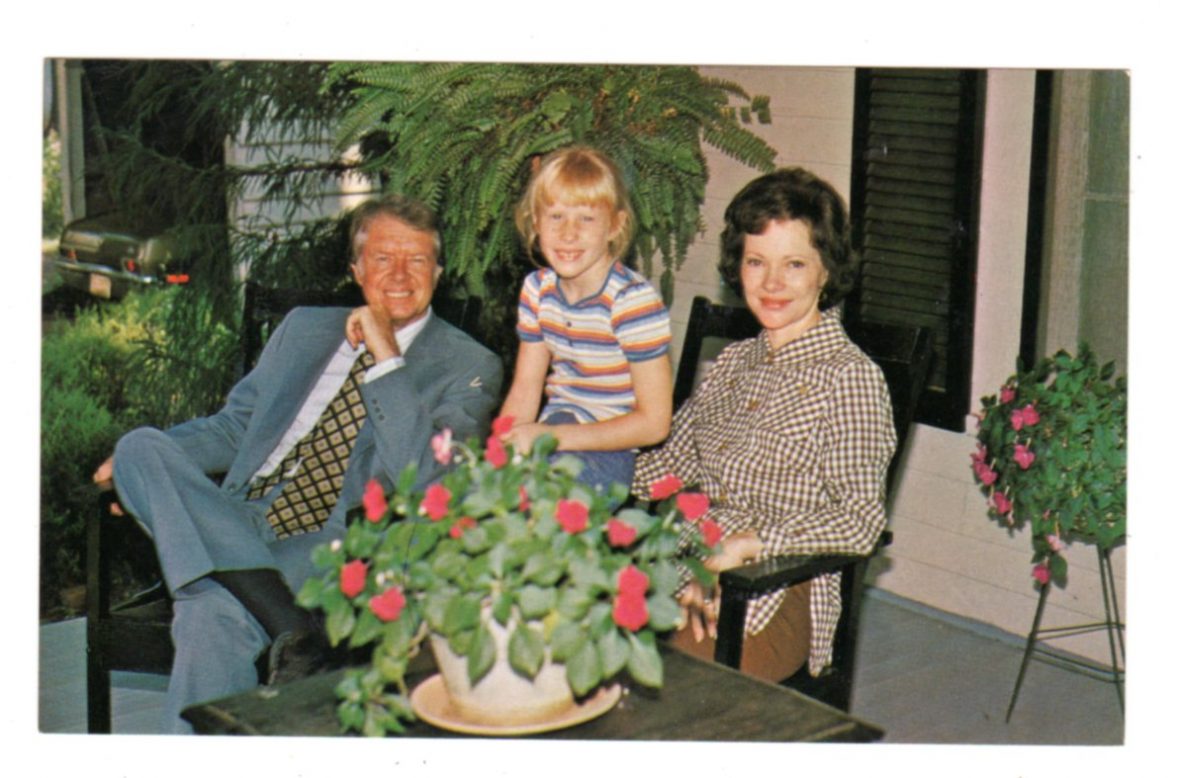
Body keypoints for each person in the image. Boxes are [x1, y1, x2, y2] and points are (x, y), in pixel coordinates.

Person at [91, 193, 503, 733]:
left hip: (337, 541)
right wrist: (137, 465)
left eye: (417, 259)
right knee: (141, 445)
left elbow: (425, 480)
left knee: (210, 613)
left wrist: (387, 359)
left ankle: (262, 614)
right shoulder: (305, 328)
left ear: (439, 272)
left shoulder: (470, 366)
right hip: (239, 514)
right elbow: (234, 428)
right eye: (382, 258)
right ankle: (290, 624)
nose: (400, 274)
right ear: (356, 269)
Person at [632, 167, 896, 683]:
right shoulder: (733, 364)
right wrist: (579, 460)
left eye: (794, 264)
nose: (772, 283)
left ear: (826, 271)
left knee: (662, 686)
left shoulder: (851, 378)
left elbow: (860, 520)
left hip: (776, 582)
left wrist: (747, 545)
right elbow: (669, 466)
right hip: (692, 555)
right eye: (757, 262)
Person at [497, 146, 673, 498]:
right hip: (554, 430)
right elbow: (526, 388)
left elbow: (654, 424)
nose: (569, 233)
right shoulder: (538, 290)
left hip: (607, 449)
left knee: (538, 516)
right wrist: (500, 450)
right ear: (536, 223)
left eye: (586, 218)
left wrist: (551, 437)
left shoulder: (631, 302)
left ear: (615, 225)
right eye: (556, 217)